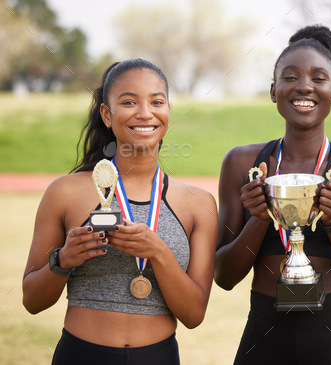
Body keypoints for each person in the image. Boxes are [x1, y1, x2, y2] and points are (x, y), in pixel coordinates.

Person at [22, 58, 218, 365]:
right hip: (80, 355)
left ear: (168, 111)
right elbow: (32, 301)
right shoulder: (64, 193)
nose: (145, 113)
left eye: (157, 101)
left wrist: (159, 252)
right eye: (129, 102)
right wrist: (63, 260)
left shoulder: (198, 203)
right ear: (107, 114)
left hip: (159, 357)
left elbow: (194, 315)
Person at [215, 25, 331, 365]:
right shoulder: (242, 163)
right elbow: (224, 276)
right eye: (290, 77)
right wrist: (260, 218)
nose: (304, 86)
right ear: (273, 90)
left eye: (318, 78)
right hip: (264, 331)